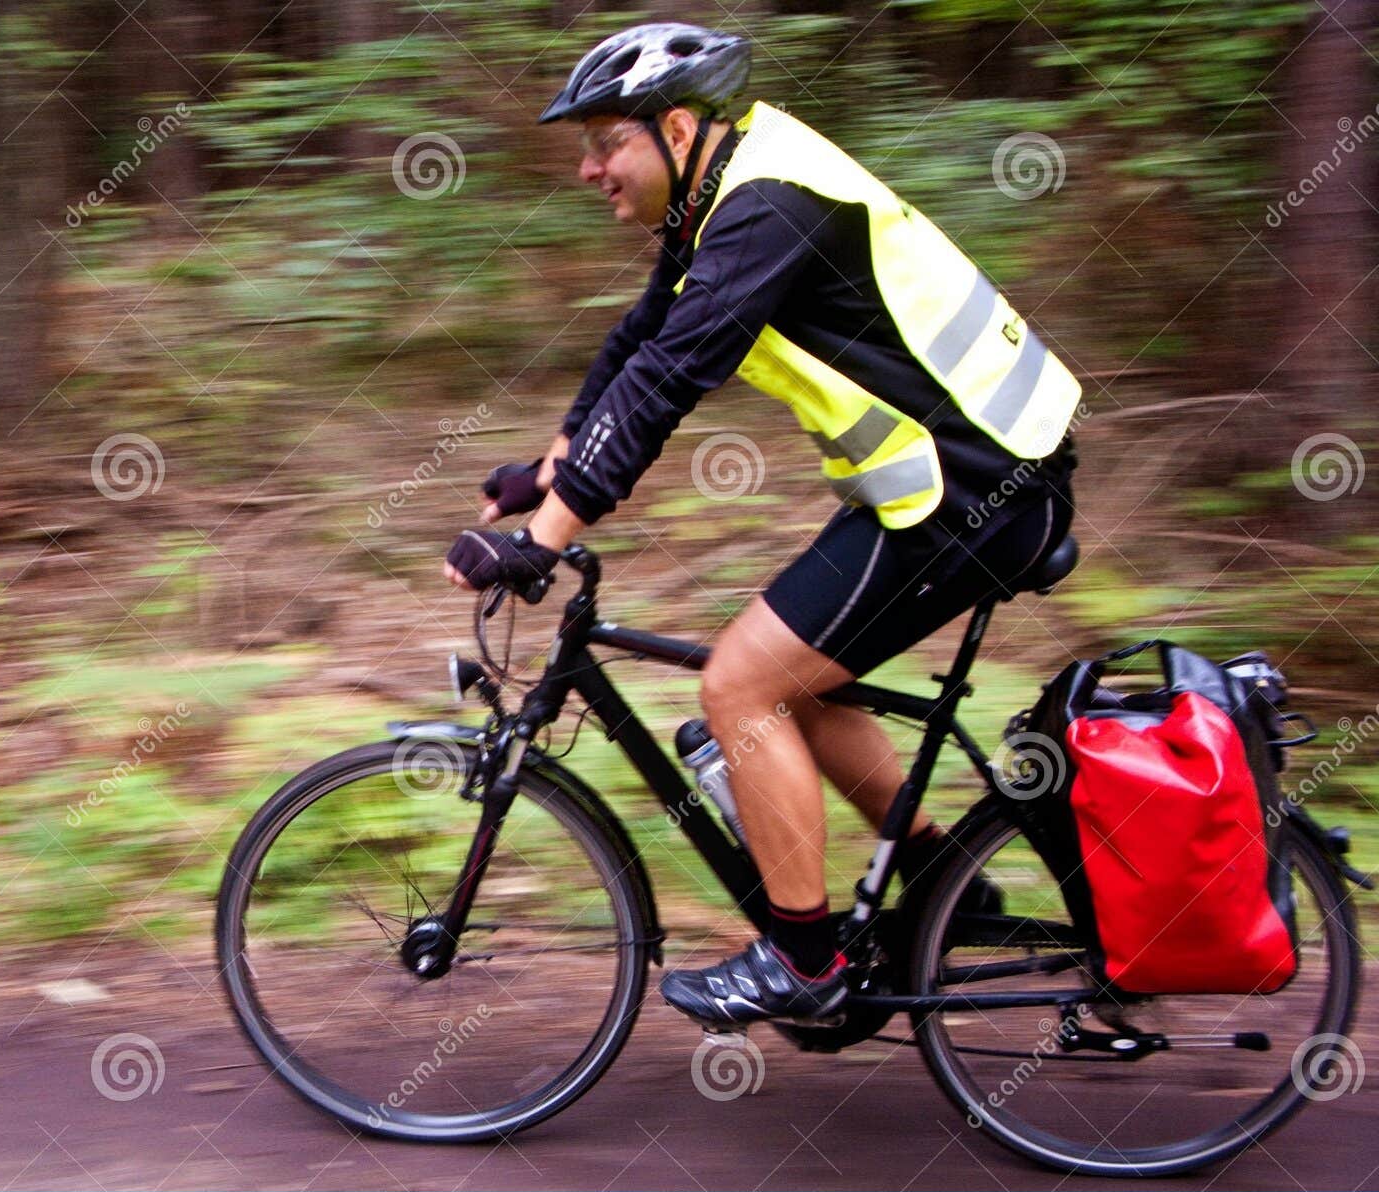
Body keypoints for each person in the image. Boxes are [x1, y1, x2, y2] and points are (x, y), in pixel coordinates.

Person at [443, 23, 1079, 1027]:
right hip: (956, 486)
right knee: (793, 680)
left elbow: (669, 379)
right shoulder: (731, 190)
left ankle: (805, 962)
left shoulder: (767, 207)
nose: (588, 168)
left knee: (741, 686)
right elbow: (641, 341)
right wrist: (550, 472)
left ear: (676, 129)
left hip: (973, 495)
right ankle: (946, 880)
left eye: (605, 142)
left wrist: (545, 543)